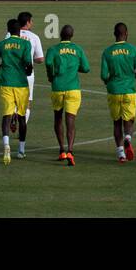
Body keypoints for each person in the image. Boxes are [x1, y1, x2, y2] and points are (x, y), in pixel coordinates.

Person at [0, 18, 34, 165]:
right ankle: (21, 150)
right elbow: (28, 64)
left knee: (7, 115)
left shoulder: (2, 44)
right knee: (21, 116)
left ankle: (6, 145)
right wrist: (25, 70)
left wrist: (3, 66)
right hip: (21, 84)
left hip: (5, 82)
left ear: (8, 30)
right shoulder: (26, 43)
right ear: (19, 31)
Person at [45, 25, 90, 167]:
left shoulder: (53, 49)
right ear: (72, 35)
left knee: (58, 117)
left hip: (58, 87)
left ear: (60, 35)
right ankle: (70, 150)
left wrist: (51, 75)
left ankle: (62, 150)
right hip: (73, 88)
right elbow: (86, 68)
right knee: (70, 119)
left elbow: (47, 62)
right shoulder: (78, 49)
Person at [100, 22, 136, 163]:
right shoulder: (133, 50)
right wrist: (132, 77)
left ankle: (120, 153)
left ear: (114, 34)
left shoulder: (107, 52)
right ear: (127, 34)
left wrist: (109, 82)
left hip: (114, 90)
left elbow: (104, 75)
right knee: (129, 120)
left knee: (116, 122)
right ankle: (128, 138)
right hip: (129, 90)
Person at [14, 11, 44, 159]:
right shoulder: (34, 37)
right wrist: (32, 59)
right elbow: (40, 59)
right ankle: (21, 128)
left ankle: (13, 114)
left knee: (12, 100)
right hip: (28, 75)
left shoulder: (10, 35)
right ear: (28, 22)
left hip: (12, 73)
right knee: (27, 103)